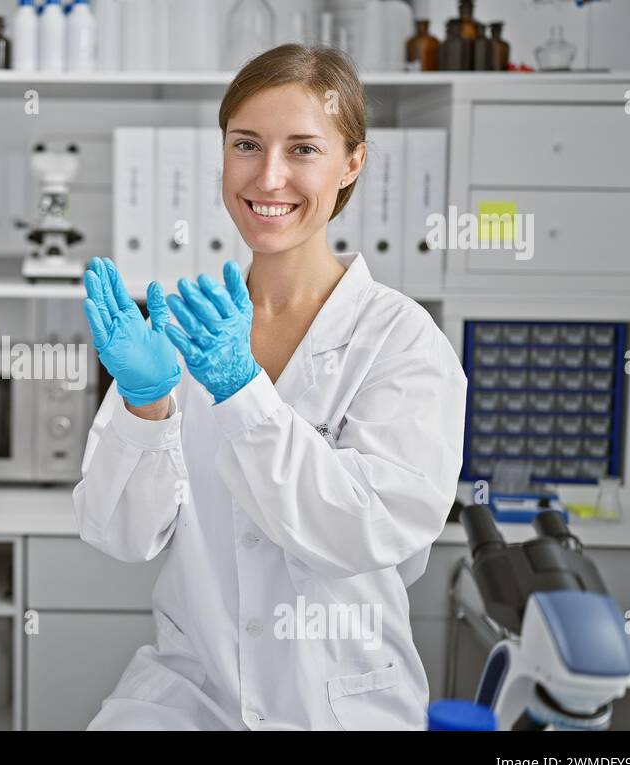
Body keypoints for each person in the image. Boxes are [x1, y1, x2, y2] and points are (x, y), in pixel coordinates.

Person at [74, 44, 467, 730]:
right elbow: (118, 534)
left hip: (341, 701)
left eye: (304, 149)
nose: (270, 175)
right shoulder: (182, 328)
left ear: (352, 163)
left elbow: (362, 530)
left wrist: (239, 389)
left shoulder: (401, 343)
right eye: (246, 144)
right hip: (187, 696)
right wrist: (144, 405)